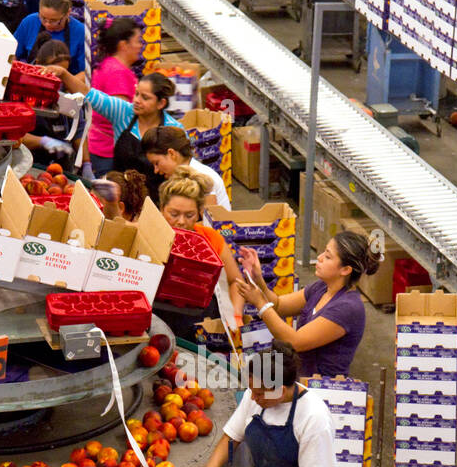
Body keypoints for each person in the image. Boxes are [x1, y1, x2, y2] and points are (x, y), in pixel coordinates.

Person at [189, 343, 338, 467]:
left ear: (280, 391)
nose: (252, 397)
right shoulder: (255, 396)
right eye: (252, 390)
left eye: (259, 393)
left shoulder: (314, 417)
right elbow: (231, 437)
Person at [235, 231, 378, 379]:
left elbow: (294, 342)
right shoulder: (322, 287)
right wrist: (258, 279)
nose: (319, 258)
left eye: (328, 257)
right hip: (300, 379)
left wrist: (260, 302)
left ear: (345, 270)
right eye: (323, 252)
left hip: (322, 390)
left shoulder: (348, 308)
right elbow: (279, 305)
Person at [158, 168, 244, 320]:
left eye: (189, 215)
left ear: (199, 213)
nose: (181, 221)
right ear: (161, 209)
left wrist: (236, 315)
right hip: (158, 314)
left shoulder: (210, 238)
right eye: (174, 214)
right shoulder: (150, 234)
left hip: (200, 319)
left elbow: (236, 281)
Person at [83, 72, 181, 198]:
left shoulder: (173, 130)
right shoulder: (123, 113)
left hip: (156, 202)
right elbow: (90, 94)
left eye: (145, 98)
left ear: (161, 103)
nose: (136, 100)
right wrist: (63, 74)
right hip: (120, 198)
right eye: (136, 94)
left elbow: (183, 169)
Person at [88, 17, 144, 177]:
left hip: (102, 147)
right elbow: (121, 116)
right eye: (137, 41)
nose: (140, 46)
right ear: (123, 45)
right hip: (110, 152)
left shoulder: (108, 64)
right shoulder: (118, 73)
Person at [142, 124, 231, 211]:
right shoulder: (179, 177)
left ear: (171, 153)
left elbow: (209, 222)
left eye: (157, 163)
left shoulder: (203, 177)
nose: (155, 170)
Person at [20, 39, 75, 163]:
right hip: (27, 160)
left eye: (63, 74)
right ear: (39, 64)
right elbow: (13, 135)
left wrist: (86, 163)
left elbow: (79, 126)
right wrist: (42, 141)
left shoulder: (64, 90)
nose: (58, 80)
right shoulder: (19, 89)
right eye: (54, 74)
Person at [14, 0, 86, 75]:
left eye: (54, 21)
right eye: (43, 18)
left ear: (68, 13)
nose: (47, 24)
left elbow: (85, 74)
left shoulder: (80, 32)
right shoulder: (29, 22)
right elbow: (12, 54)